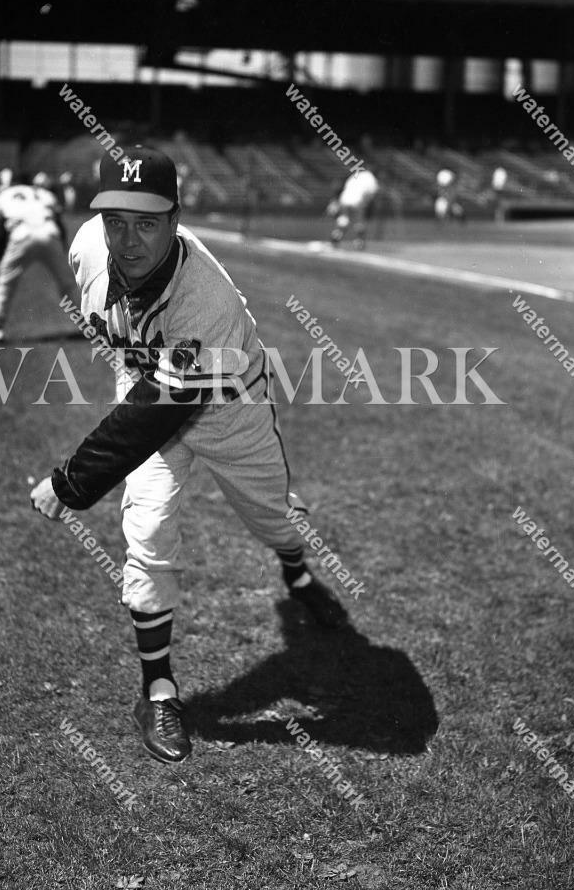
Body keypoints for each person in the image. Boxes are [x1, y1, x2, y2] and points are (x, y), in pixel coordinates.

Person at [29, 146, 348, 765]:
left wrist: (70, 483)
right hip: (148, 382)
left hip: (229, 404)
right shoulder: (87, 246)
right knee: (147, 530)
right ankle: (159, 690)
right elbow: (143, 386)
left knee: (273, 516)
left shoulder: (206, 298)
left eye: (147, 223)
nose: (128, 240)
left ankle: (297, 572)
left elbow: (159, 412)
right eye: (116, 221)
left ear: (176, 220)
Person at [0, 176, 74, 343]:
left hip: (21, 233)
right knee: (68, 283)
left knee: (5, 282)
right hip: (49, 232)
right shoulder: (44, 193)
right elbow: (59, 223)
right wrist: (64, 248)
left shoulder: (4, 195)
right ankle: (92, 324)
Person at [326, 167, 379, 249]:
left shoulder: (356, 175)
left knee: (344, 218)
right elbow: (371, 194)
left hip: (345, 198)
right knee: (359, 221)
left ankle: (336, 237)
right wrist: (366, 205)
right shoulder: (371, 179)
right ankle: (359, 242)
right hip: (357, 200)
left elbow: (346, 185)